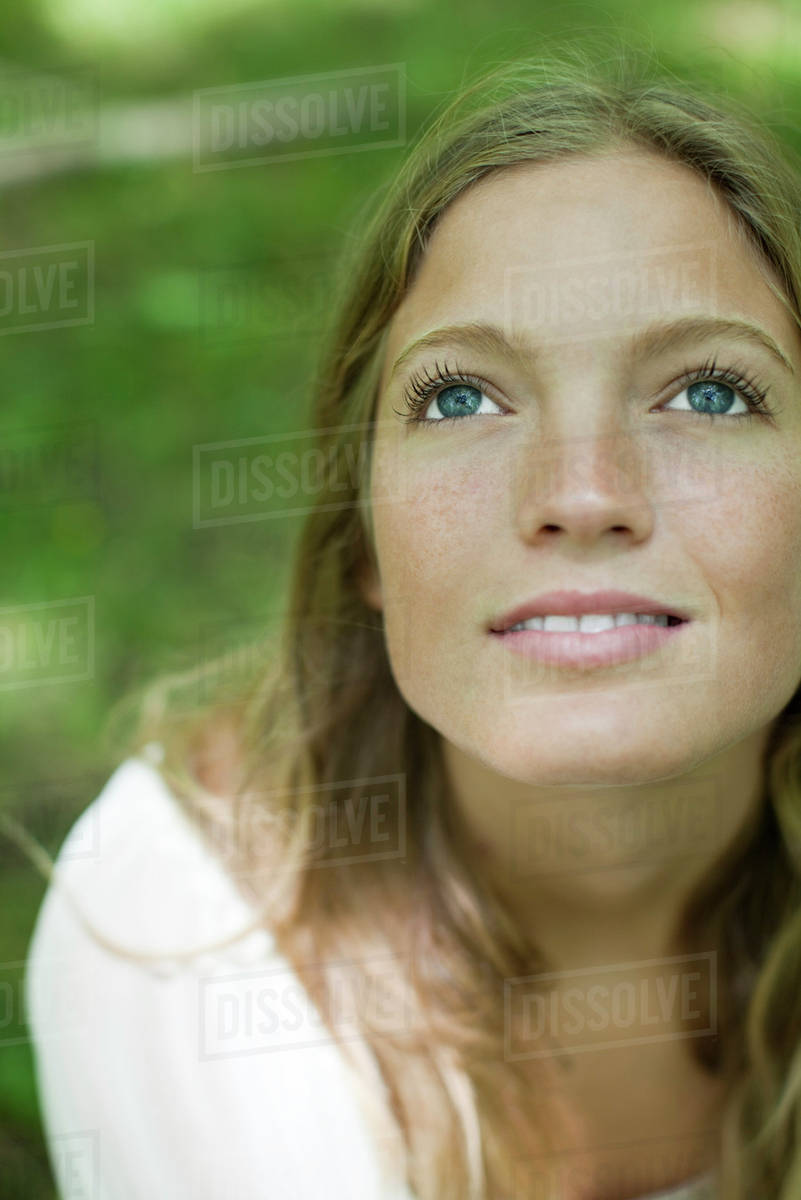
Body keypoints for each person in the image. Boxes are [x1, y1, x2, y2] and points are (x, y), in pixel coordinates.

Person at [23, 43, 801, 1200]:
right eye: (462, 396)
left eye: (708, 391)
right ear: (367, 542)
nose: (581, 495)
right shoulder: (183, 936)